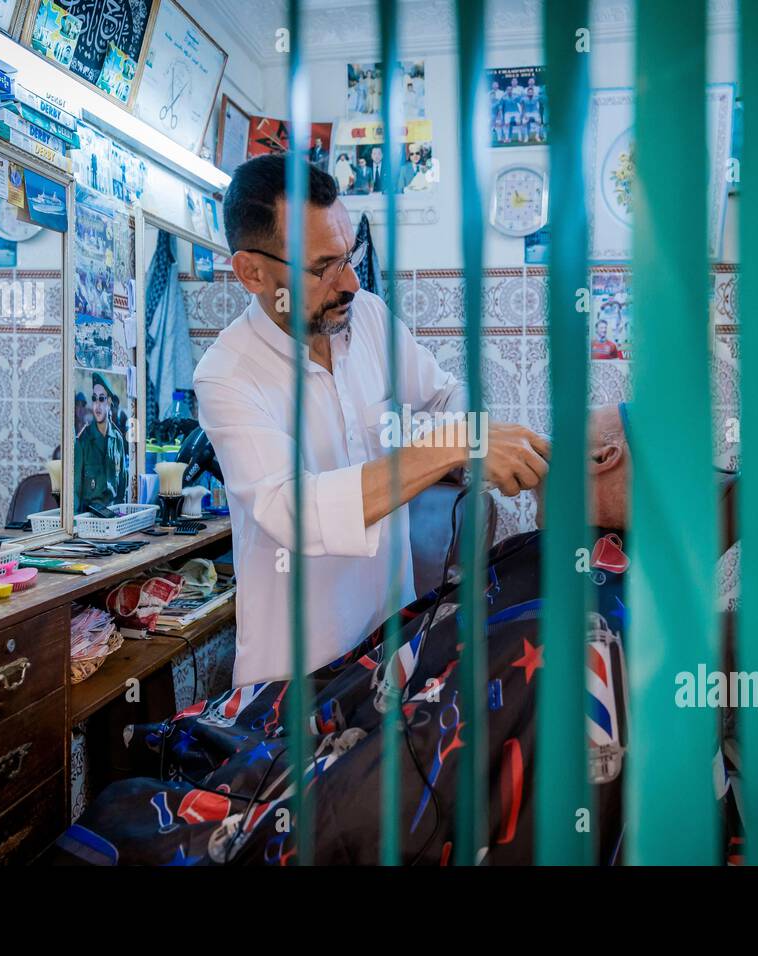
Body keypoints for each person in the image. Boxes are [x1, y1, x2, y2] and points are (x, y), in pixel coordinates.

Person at [52, 404, 744, 866]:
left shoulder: (573, 622)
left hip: (356, 775)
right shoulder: (609, 587)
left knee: (127, 812)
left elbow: (400, 788)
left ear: (602, 459)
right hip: (353, 713)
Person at [191, 154, 549, 689]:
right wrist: (450, 446)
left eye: (349, 255)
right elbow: (294, 511)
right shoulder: (226, 375)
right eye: (322, 267)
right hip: (295, 671)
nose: (352, 282)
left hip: (393, 637)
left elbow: (444, 393)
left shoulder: (369, 321)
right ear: (252, 272)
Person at [73, 372, 130, 512]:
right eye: (94, 399)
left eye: (101, 399)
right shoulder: (83, 441)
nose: (97, 406)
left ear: (110, 403)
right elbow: (75, 489)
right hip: (88, 517)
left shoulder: (117, 440)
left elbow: (122, 485)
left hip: (113, 516)